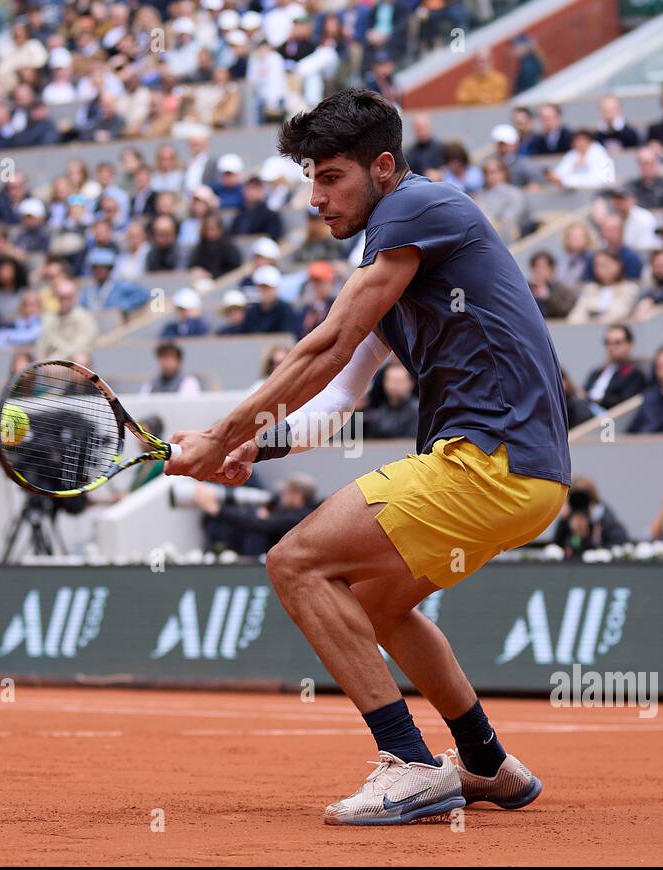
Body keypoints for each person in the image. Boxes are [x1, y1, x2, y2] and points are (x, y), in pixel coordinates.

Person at [164, 90, 571, 826]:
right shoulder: (401, 260)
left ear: (383, 168)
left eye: (331, 177)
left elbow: (330, 342)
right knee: (377, 604)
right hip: (521, 478)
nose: (316, 198)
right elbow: (341, 399)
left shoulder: (416, 209)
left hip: (489, 461)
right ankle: (485, 763)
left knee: (294, 563)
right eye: (310, 179)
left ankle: (411, 763)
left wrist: (217, 436)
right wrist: (258, 446)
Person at [549, 478, 629, 558]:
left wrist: (590, 537)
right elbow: (555, 550)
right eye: (575, 501)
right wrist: (564, 522)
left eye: (583, 500)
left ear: (593, 502)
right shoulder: (566, 522)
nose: (579, 505)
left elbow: (618, 551)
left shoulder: (608, 524)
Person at [583, 323, 647, 410]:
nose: (611, 347)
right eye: (608, 343)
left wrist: (595, 400)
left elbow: (623, 404)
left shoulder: (635, 375)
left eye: (617, 343)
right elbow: (583, 394)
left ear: (630, 345)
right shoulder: (596, 372)